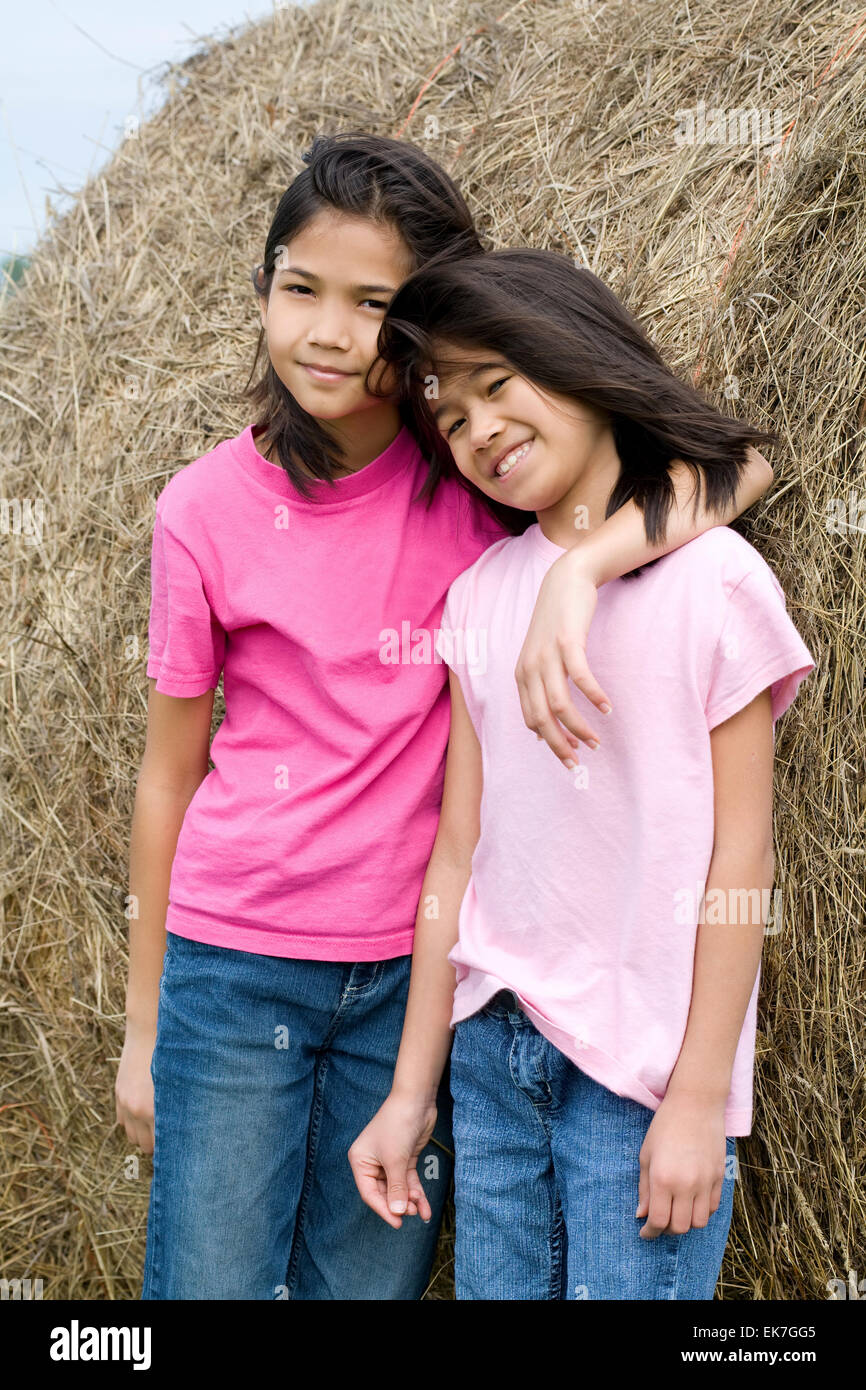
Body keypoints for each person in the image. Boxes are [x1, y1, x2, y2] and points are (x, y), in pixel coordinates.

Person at [116, 133, 774, 1300]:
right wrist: (139, 1027)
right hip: (245, 958)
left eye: (372, 305)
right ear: (262, 285)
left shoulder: (469, 495)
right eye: (301, 288)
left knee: (368, 1280)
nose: (329, 331)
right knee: (209, 1281)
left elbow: (724, 465)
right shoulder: (208, 511)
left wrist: (579, 571)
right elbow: (167, 772)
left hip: (412, 978)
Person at [348, 247, 815, 1299]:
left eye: (493, 385)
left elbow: (740, 854)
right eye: (450, 420)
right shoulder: (475, 600)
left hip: (639, 1075)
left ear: (572, 355)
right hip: (493, 1053)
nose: (475, 430)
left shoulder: (713, 581)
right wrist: (410, 1092)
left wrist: (701, 1094)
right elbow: (458, 848)